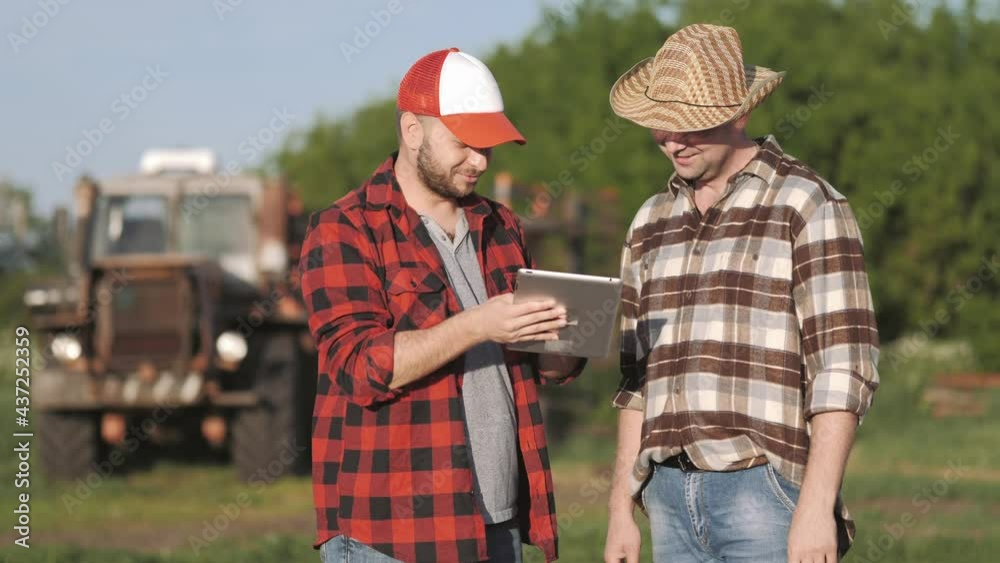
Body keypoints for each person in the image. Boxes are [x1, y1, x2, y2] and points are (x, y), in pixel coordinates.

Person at [602, 24, 880, 563]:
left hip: (766, 496)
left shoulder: (806, 204)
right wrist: (620, 511)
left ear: (740, 115)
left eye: (691, 126)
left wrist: (816, 506)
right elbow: (636, 382)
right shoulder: (649, 222)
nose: (671, 140)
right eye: (661, 125)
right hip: (664, 496)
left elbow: (843, 369)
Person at [299, 48, 586, 563]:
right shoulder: (344, 229)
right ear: (412, 131)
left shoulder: (502, 227)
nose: (480, 161)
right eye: (465, 143)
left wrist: (571, 334)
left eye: (489, 147)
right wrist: (479, 323)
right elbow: (361, 367)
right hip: (391, 536)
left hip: (498, 521)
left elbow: (546, 367)